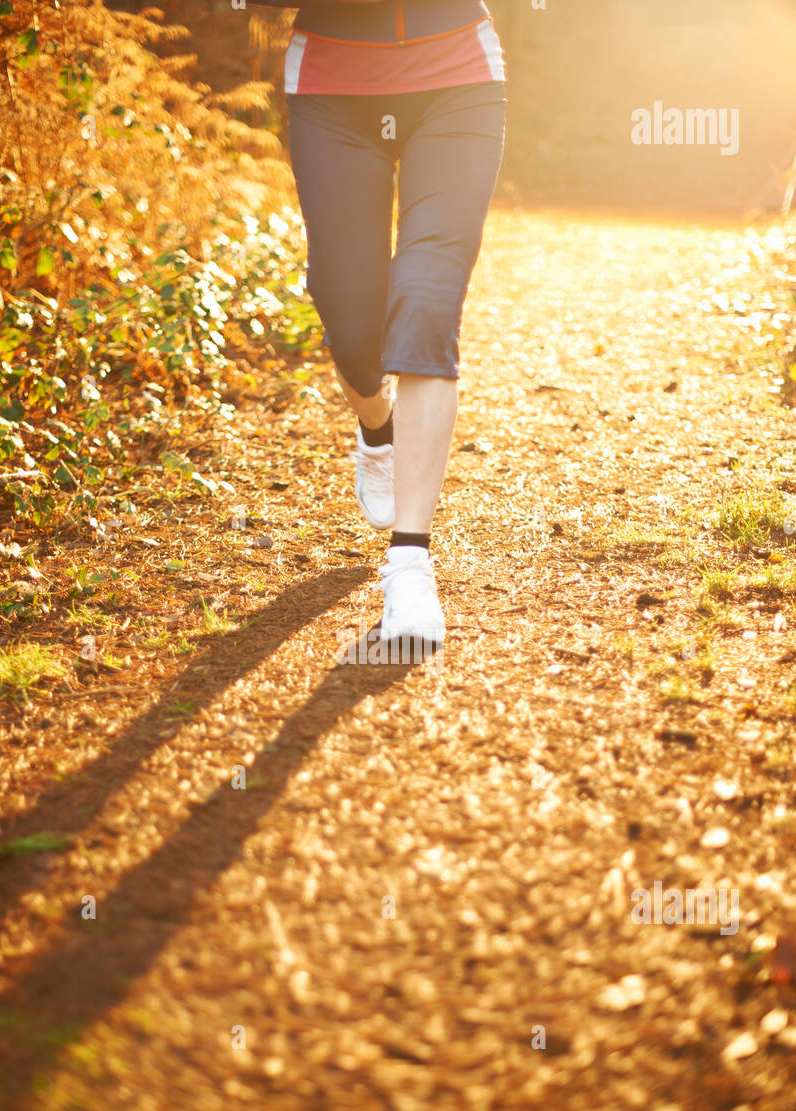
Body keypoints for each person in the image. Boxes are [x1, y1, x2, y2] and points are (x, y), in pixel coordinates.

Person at [251, 0, 507, 645]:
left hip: (457, 79)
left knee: (425, 302)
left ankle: (410, 563)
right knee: (348, 309)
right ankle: (376, 426)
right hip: (332, 91)